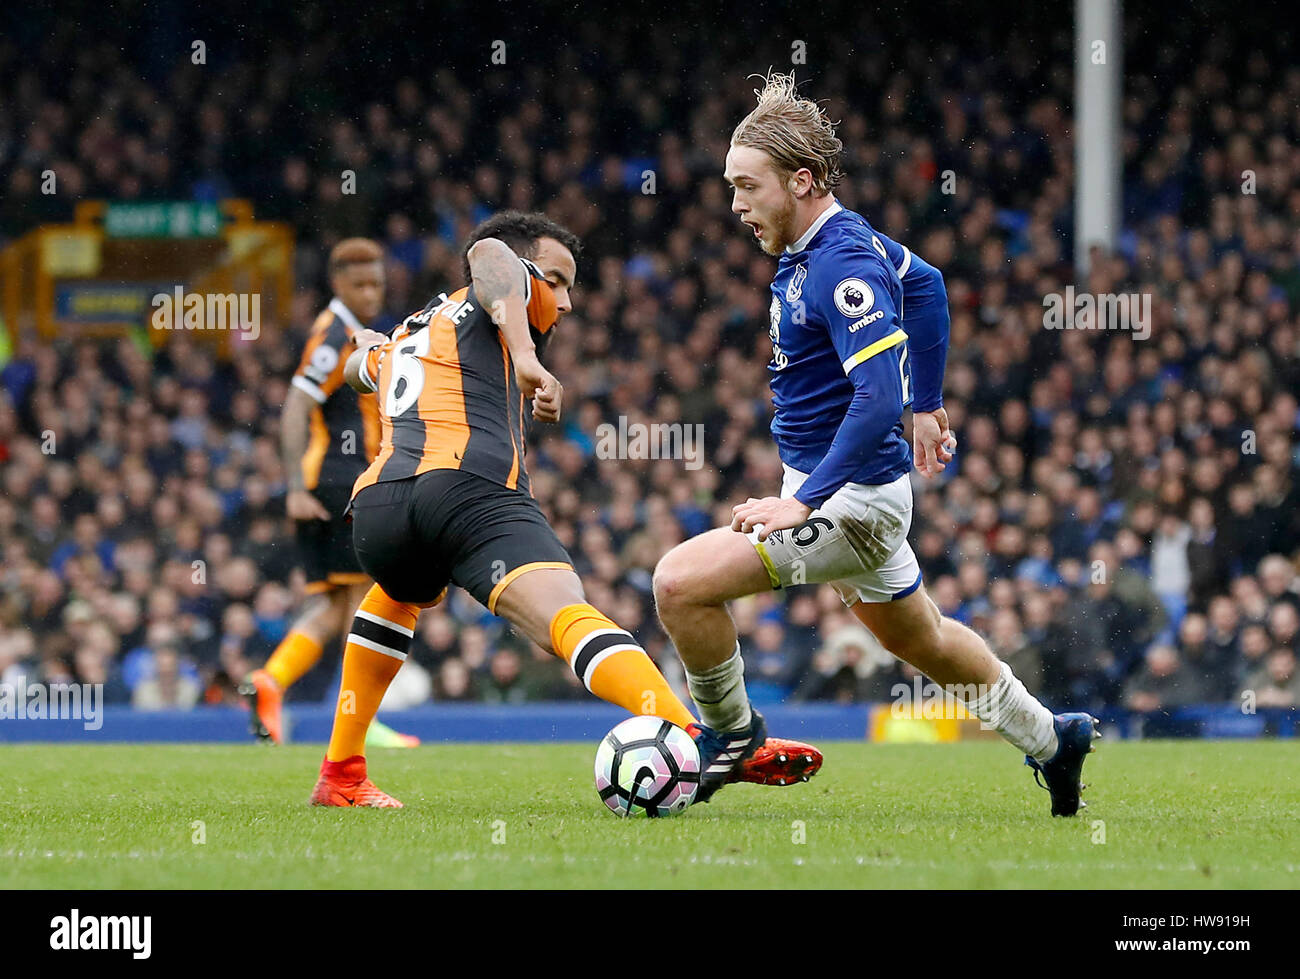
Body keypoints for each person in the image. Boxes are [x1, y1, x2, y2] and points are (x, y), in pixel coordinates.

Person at [652, 74, 1099, 818]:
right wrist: (931, 402)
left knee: (678, 583)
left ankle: (730, 735)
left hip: (854, 501)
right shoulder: (833, 242)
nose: (734, 205)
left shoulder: (839, 262)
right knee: (925, 640)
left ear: (801, 181)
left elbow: (875, 398)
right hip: (857, 491)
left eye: (746, 186)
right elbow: (926, 282)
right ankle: (1054, 737)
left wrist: (804, 498)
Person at [309, 211, 822, 807]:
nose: (566, 301)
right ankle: (700, 738)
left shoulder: (414, 329)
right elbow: (491, 256)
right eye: (557, 280)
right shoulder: (496, 287)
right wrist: (526, 358)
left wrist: (371, 349)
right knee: (566, 616)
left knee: (397, 596)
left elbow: (354, 371)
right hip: (467, 489)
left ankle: (341, 774)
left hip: (379, 510)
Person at [241, 238, 416, 748]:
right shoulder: (335, 334)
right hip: (340, 483)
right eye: (359, 285)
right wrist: (294, 486)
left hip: (330, 484)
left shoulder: (348, 330)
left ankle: (269, 681)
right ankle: (361, 723)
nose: (370, 293)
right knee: (367, 603)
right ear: (337, 285)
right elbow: (295, 405)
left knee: (336, 607)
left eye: (377, 284)